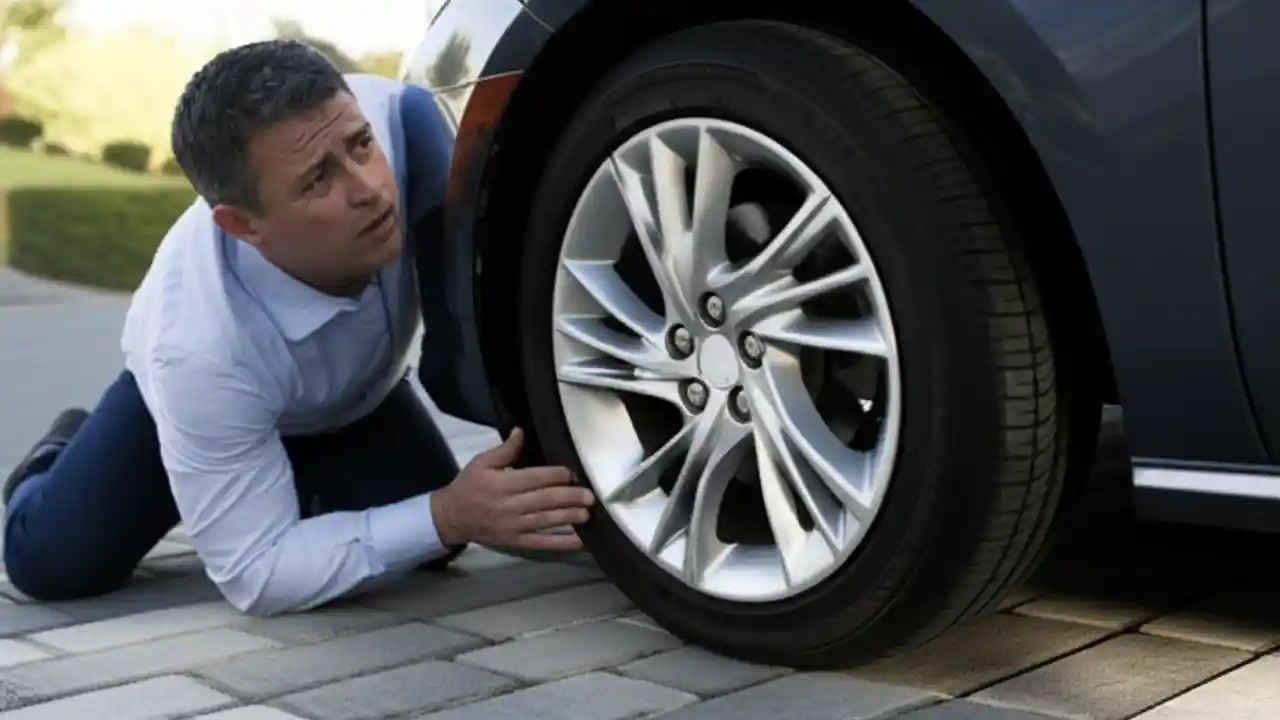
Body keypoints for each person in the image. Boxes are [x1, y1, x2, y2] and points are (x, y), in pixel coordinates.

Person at [1, 40, 595, 615]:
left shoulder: (404, 124)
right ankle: (58, 452)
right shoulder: (197, 352)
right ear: (242, 225)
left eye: (361, 146)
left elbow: (476, 345)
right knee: (50, 565)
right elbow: (257, 573)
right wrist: (444, 513)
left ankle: (285, 482)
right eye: (317, 181)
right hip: (217, 403)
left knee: (436, 550)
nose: (369, 189)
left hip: (357, 399)